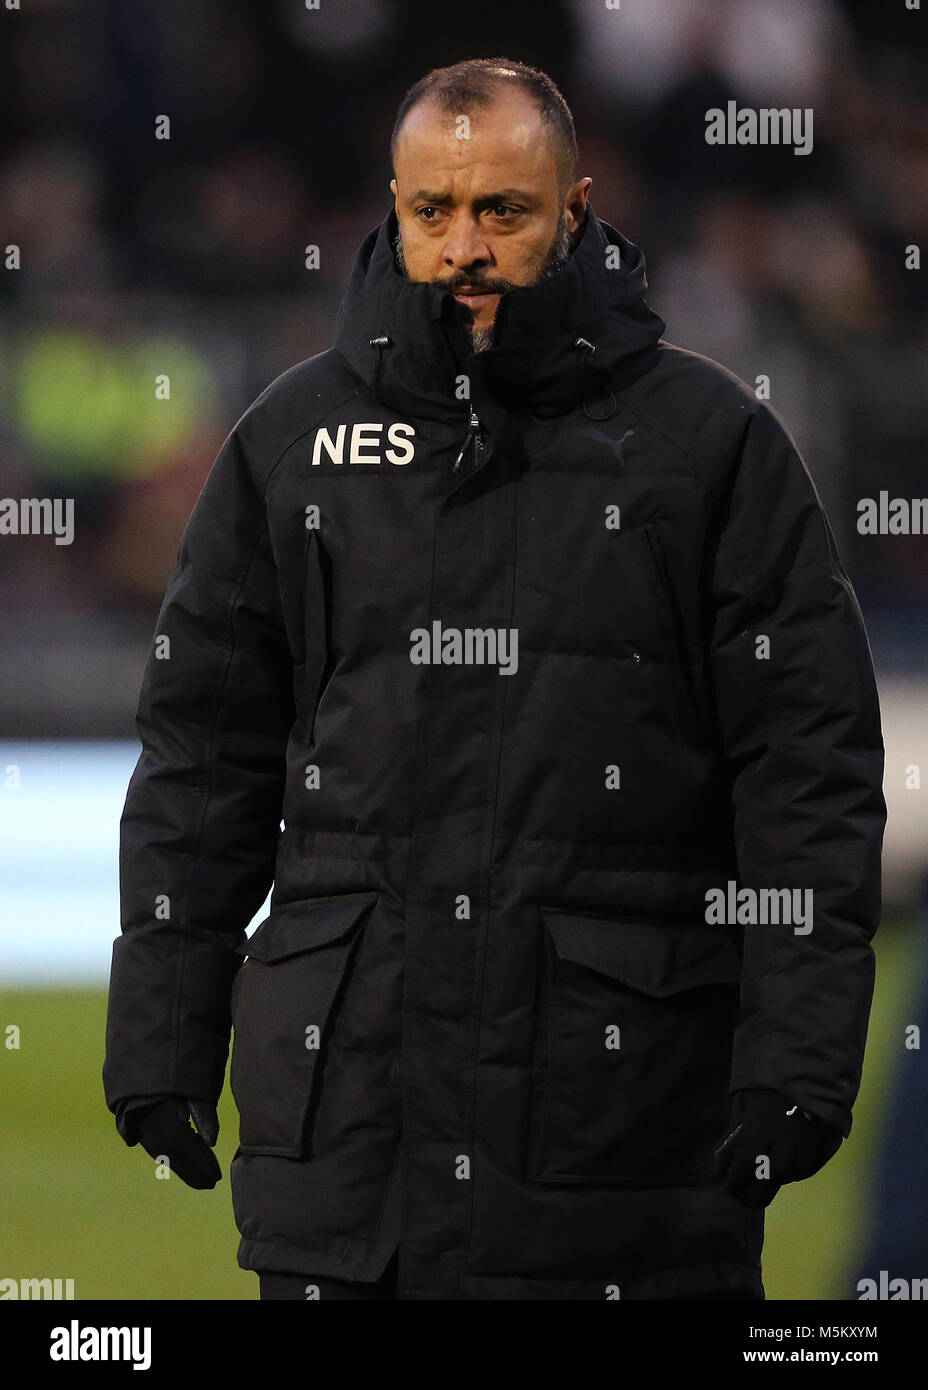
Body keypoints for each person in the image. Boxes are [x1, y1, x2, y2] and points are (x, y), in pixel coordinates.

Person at [103, 58, 886, 1301]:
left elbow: (806, 774)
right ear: (392, 208)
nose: (463, 245)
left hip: (623, 1165)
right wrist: (161, 1032)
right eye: (433, 210)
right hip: (353, 1164)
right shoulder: (289, 444)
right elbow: (204, 761)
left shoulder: (711, 445)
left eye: (503, 212)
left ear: (573, 211)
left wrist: (795, 1066)